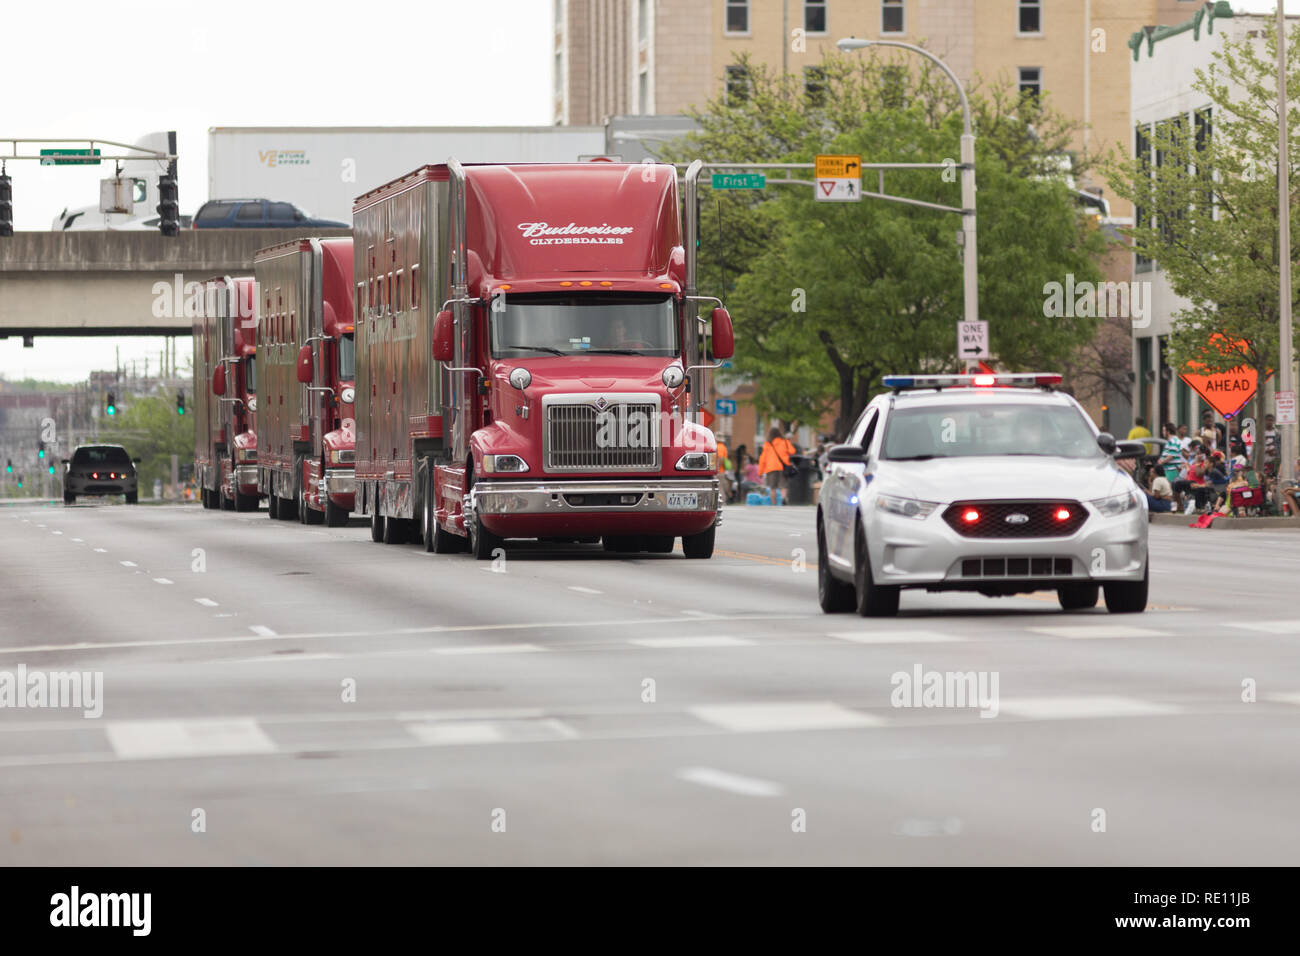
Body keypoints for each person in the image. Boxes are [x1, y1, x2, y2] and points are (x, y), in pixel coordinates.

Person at [758, 426, 797, 505]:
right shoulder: (785, 442)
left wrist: (760, 472)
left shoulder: (767, 444)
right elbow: (792, 451)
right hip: (783, 467)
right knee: (783, 486)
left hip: (771, 468)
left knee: (773, 487)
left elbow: (762, 459)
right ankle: (784, 498)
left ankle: (774, 504)